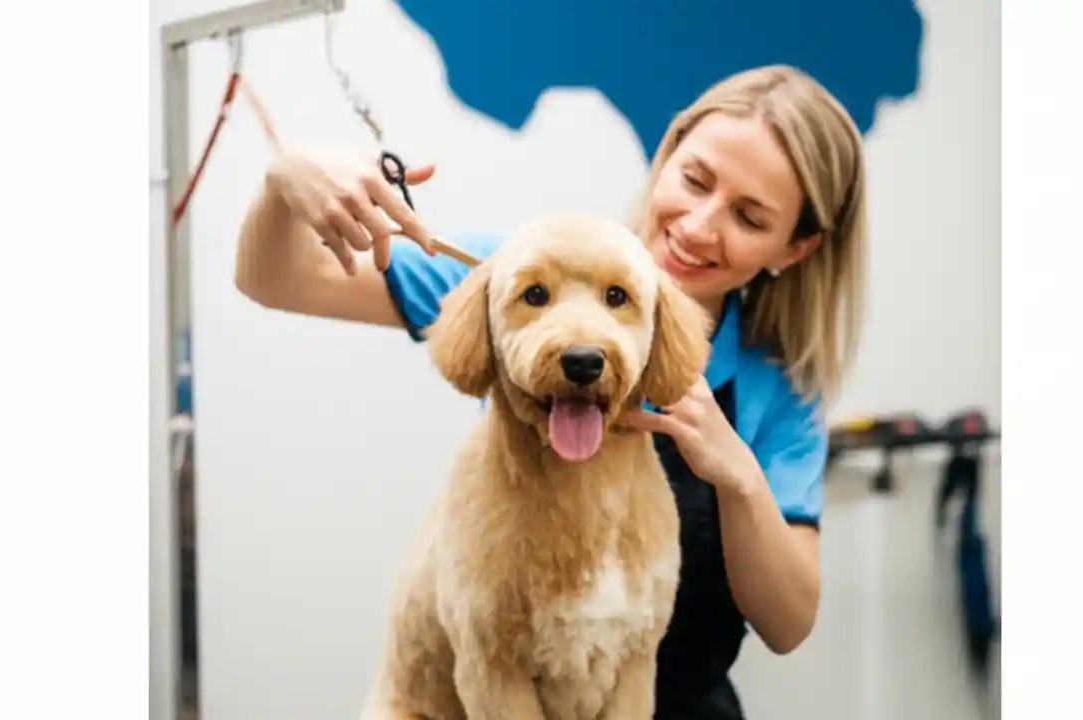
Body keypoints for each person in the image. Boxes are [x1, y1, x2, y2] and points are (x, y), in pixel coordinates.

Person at [234, 64, 867, 719]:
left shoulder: (778, 386)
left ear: (793, 250)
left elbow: (787, 625)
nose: (700, 226)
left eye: (749, 216)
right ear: (667, 154)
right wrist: (287, 182)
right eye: (695, 180)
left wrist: (738, 477)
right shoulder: (516, 273)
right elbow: (278, 280)